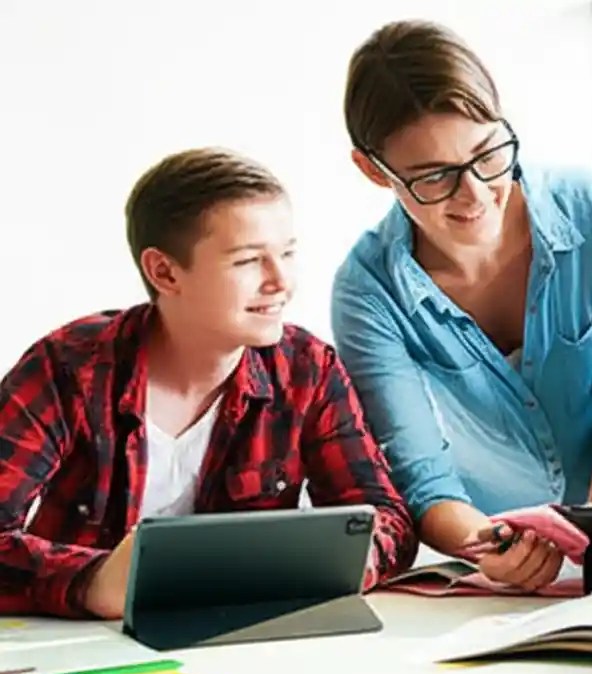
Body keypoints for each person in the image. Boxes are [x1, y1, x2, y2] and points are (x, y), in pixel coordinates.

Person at [0, 148, 418, 619]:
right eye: (247, 261)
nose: (281, 281)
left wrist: (333, 561)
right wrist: (92, 582)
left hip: (242, 645)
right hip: (81, 652)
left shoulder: (308, 371)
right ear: (165, 271)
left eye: (287, 253)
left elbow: (387, 520)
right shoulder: (68, 370)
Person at [331, 20, 592, 591]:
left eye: (488, 154)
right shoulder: (368, 291)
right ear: (373, 170)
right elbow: (422, 477)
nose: (477, 194)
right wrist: (490, 548)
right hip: (493, 558)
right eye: (434, 177)